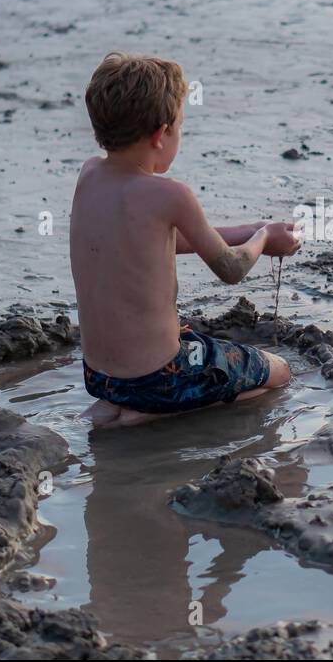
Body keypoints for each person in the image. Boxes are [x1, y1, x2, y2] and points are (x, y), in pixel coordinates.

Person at [70, 52, 300, 428]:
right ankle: (149, 415)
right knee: (279, 372)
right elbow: (231, 268)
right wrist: (262, 239)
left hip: (99, 378)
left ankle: (122, 406)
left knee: (192, 343)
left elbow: (161, 242)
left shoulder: (90, 175)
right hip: (159, 378)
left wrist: (255, 228)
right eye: (180, 126)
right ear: (161, 134)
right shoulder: (171, 195)